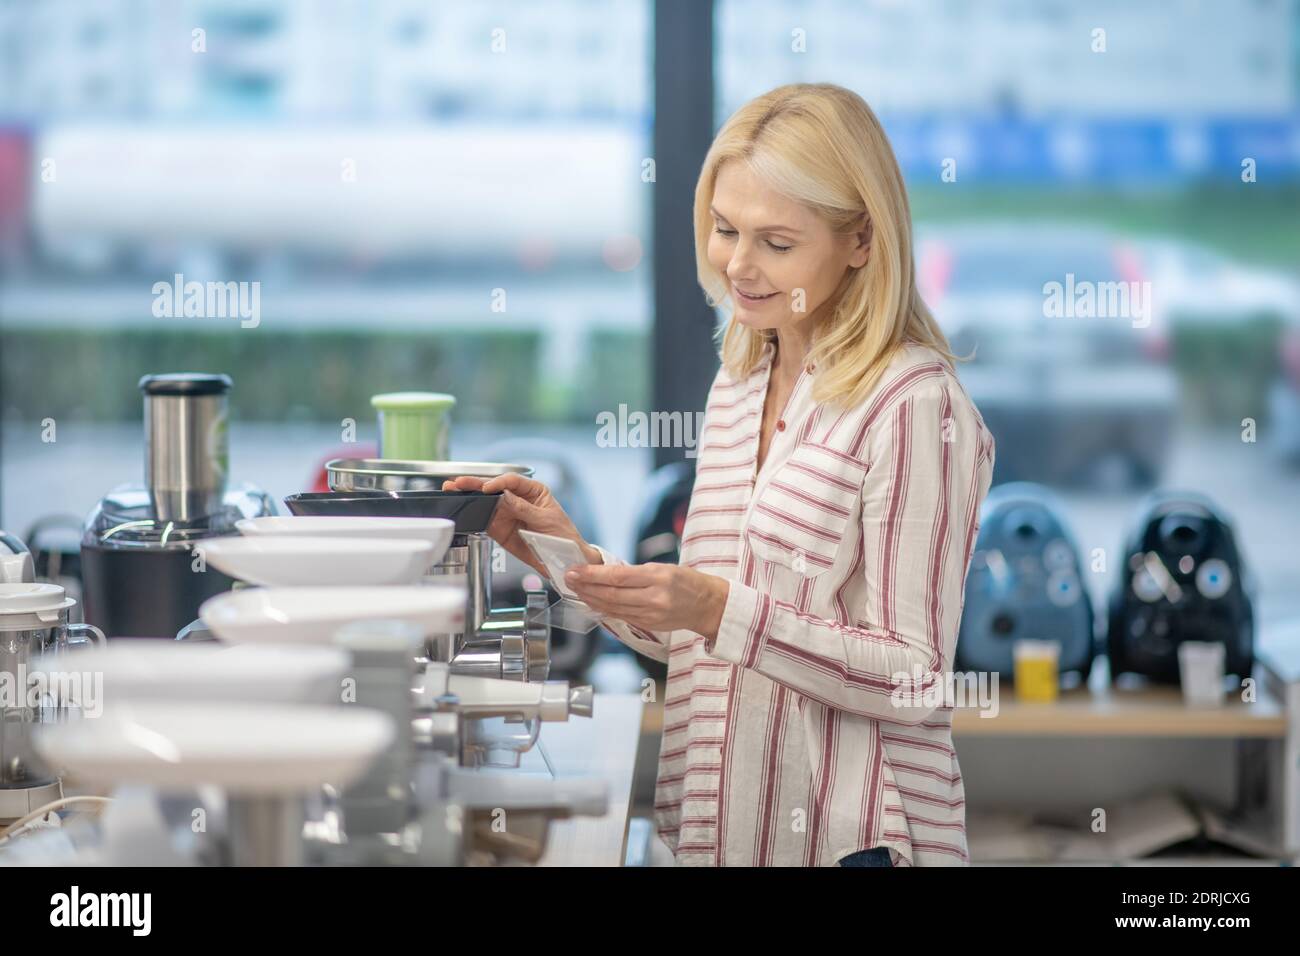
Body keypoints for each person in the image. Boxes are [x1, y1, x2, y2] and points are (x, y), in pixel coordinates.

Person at [446, 82, 995, 867]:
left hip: (859, 846)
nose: (738, 265)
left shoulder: (915, 404)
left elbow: (913, 672)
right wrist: (562, 555)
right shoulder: (740, 381)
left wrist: (718, 608)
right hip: (721, 835)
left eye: (776, 242)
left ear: (862, 240)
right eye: (724, 228)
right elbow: (702, 638)